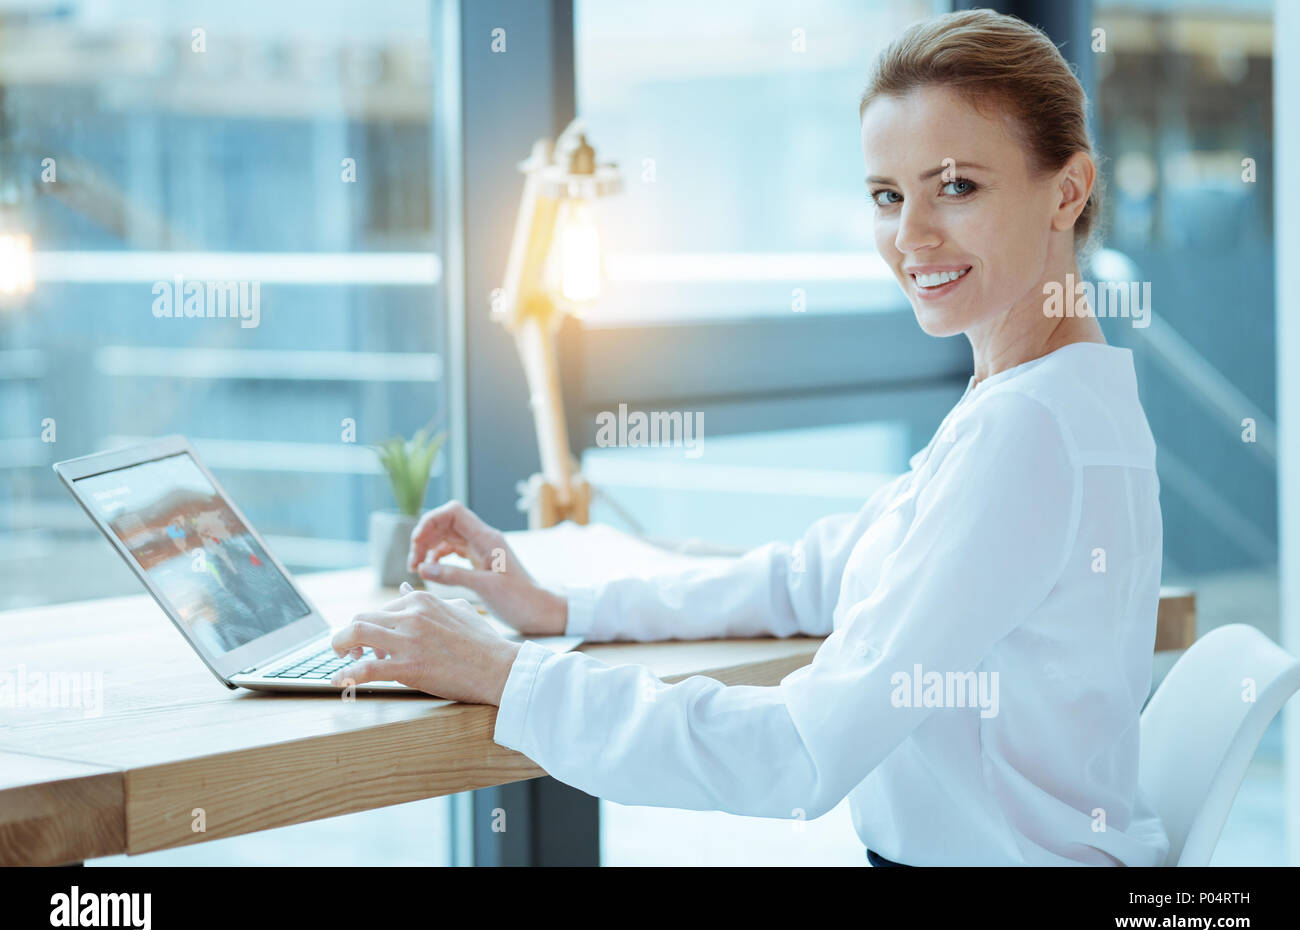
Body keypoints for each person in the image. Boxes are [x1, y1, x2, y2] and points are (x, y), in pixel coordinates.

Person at [330, 8, 1171, 866]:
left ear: (1067, 190)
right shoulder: (1048, 400)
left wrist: (506, 675)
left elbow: (798, 756)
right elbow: (814, 575)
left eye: (956, 187)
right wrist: (565, 607)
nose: (910, 236)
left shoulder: (1028, 433)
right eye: (888, 195)